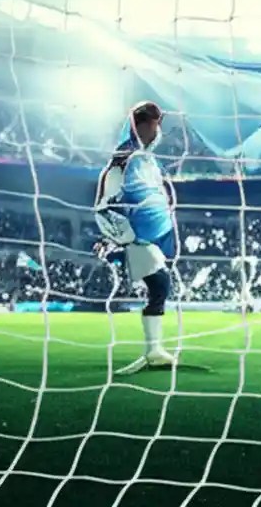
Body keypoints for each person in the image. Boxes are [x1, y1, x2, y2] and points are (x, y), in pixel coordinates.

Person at [94, 101, 180, 374]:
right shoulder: (125, 158)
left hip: (149, 236)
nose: (159, 129)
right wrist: (119, 235)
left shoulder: (145, 158)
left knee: (160, 287)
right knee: (160, 285)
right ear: (144, 124)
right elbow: (103, 203)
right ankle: (153, 351)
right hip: (136, 236)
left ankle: (154, 349)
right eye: (157, 123)